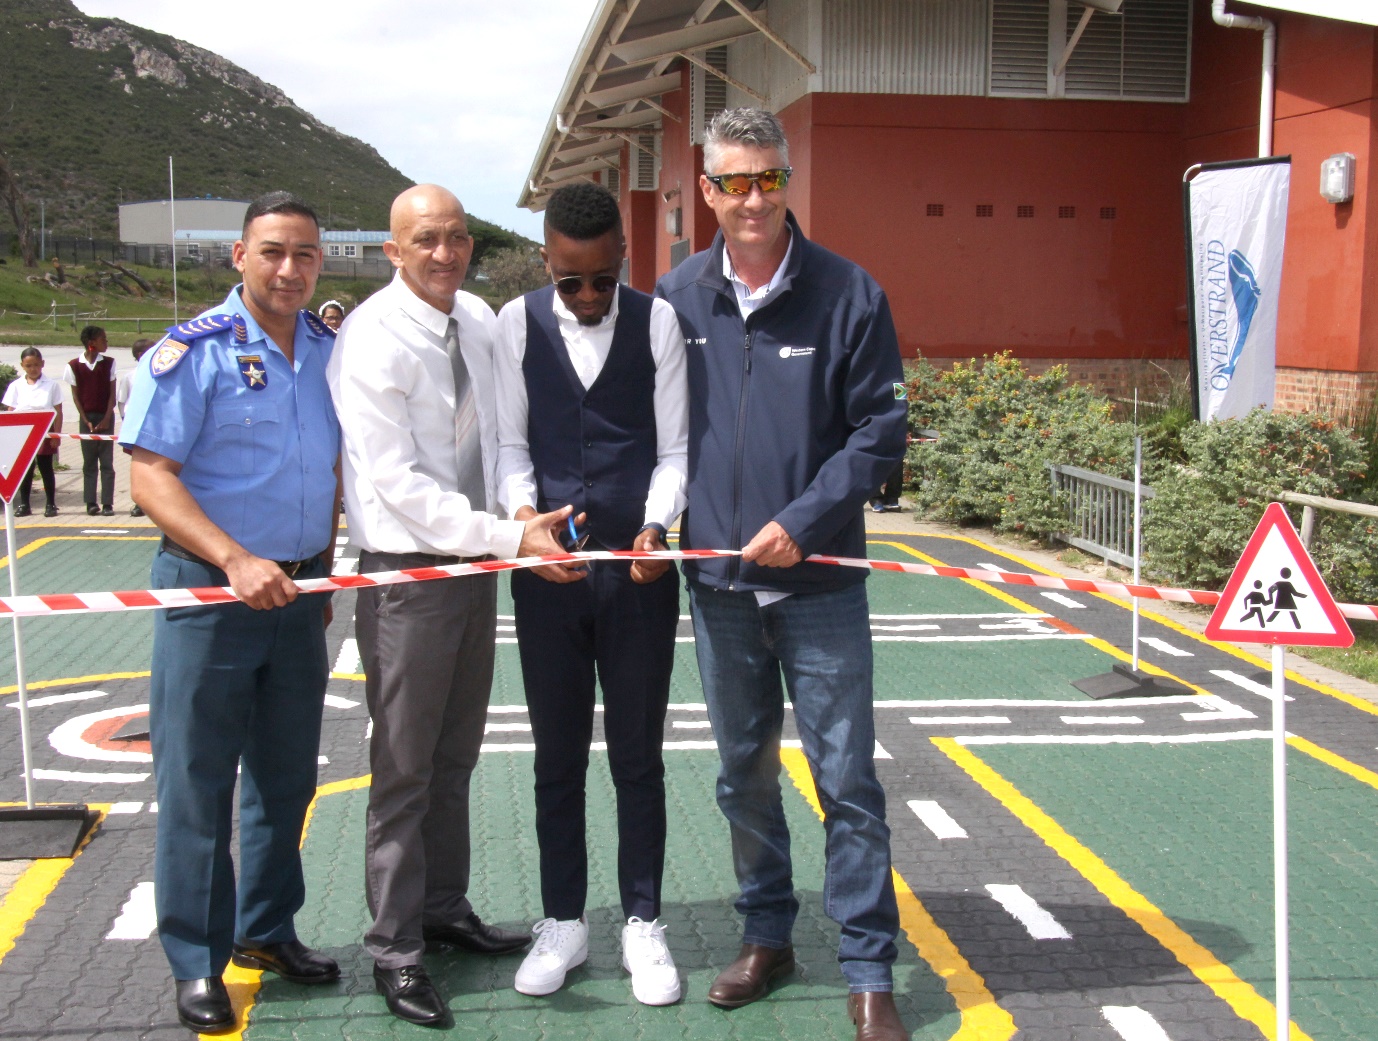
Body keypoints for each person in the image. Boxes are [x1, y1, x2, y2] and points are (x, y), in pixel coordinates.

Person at [655, 108, 910, 1041]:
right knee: (743, 775)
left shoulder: (849, 293)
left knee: (847, 779)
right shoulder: (675, 296)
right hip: (718, 589)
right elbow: (655, 432)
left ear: (787, 181)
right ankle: (768, 934)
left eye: (768, 179)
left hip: (822, 586)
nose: (752, 199)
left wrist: (803, 523)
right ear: (709, 188)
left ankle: (869, 967)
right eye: (733, 182)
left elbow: (880, 432)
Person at [328, 183, 573, 1029]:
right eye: (425, 239)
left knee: (456, 755)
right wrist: (509, 541)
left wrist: (514, 516)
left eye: (458, 237)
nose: (445, 252)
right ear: (393, 250)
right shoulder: (369, 339)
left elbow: (502, 437)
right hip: (407, 577)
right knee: (403, 769)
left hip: (473, 570)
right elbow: (395, 489)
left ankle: (442, 906)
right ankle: (396, 949)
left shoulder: (476, 317)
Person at [119, 191, 342, 1034]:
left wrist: (314, 566)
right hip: (210, 596)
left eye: (306, 255)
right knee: (197, 785)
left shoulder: (327, 349)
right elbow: (151, 477)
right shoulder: (194, 353)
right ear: (239, 257)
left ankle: (266, 928)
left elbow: (328, 467)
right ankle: (196, 959)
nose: (290, 269)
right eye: (274, 252)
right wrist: (235, 558)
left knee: (286, 778)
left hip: (296, 596)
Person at [493, 182, 688, 1005]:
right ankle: (563, 920)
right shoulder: (514, 323)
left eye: (603, 280)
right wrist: (524, 519)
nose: (586, 297)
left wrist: (656, 526)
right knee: (557, 757)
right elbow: (508, 445)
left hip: (639, 576)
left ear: (623, 261)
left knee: (639, 756)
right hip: (548, 580)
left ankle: (642, 919)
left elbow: (675, 448)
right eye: (571, 281)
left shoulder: (660, 322)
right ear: (547, 261)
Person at [2, 348, 63, 517]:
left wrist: (56, 435)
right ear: (22, 366)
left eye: (36, 365)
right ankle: (24, 504)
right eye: (28, 366)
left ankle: (50, 504)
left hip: (44, 428)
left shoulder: (51, 385)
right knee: (25, 469)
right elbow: (11, 410)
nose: (33, 369)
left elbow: (58, 410)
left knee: (45, 467)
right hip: (23, 430)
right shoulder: (16, 386)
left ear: (42, 364)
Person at [64, 324, 116, 516]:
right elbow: (76, 397)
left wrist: (107, 418)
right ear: (91, 343)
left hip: (105, 417)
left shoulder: (109, 363)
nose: (106, 342)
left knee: (107, 462)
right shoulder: (73, 366)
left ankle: (108, 503)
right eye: (103, 339)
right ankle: (91, 502)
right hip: (87, 418)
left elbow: (112, 393)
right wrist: (85, 420)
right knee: (89, 462)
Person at [117, 339, 154, 516]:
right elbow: (122, 402)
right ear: (141, 355)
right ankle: (139, 503)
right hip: (136, 427)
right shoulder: (130, 377)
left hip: (153, 425)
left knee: (155, 466)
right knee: (138, 466)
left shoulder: (158, 373)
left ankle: (154, 501)